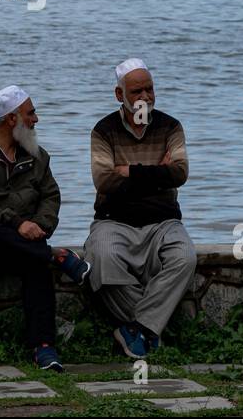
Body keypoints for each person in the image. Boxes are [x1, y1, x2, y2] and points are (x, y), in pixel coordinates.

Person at [0, 84, 90, 372]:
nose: (36, 119)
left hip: (24, 244)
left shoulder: (37, 156)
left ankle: (44, 349)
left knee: (33, 263)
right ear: (11, 119)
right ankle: (53, 255)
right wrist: (17, 223)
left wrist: (41, 225)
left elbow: (50, 196)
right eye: (31, 113)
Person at [83, 59, 196, 359]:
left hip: (163, 221)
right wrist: (155, 173)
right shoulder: (103, 131)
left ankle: (136, 329)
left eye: (150, 89)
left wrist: (128, 171)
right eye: (137, 92)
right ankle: (149, 329)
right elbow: (104, 181)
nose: (145, 97)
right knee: (102, 260)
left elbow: (179, 174)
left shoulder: (170, 126)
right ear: (119, 95)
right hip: (114, 220)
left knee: (185, 258)